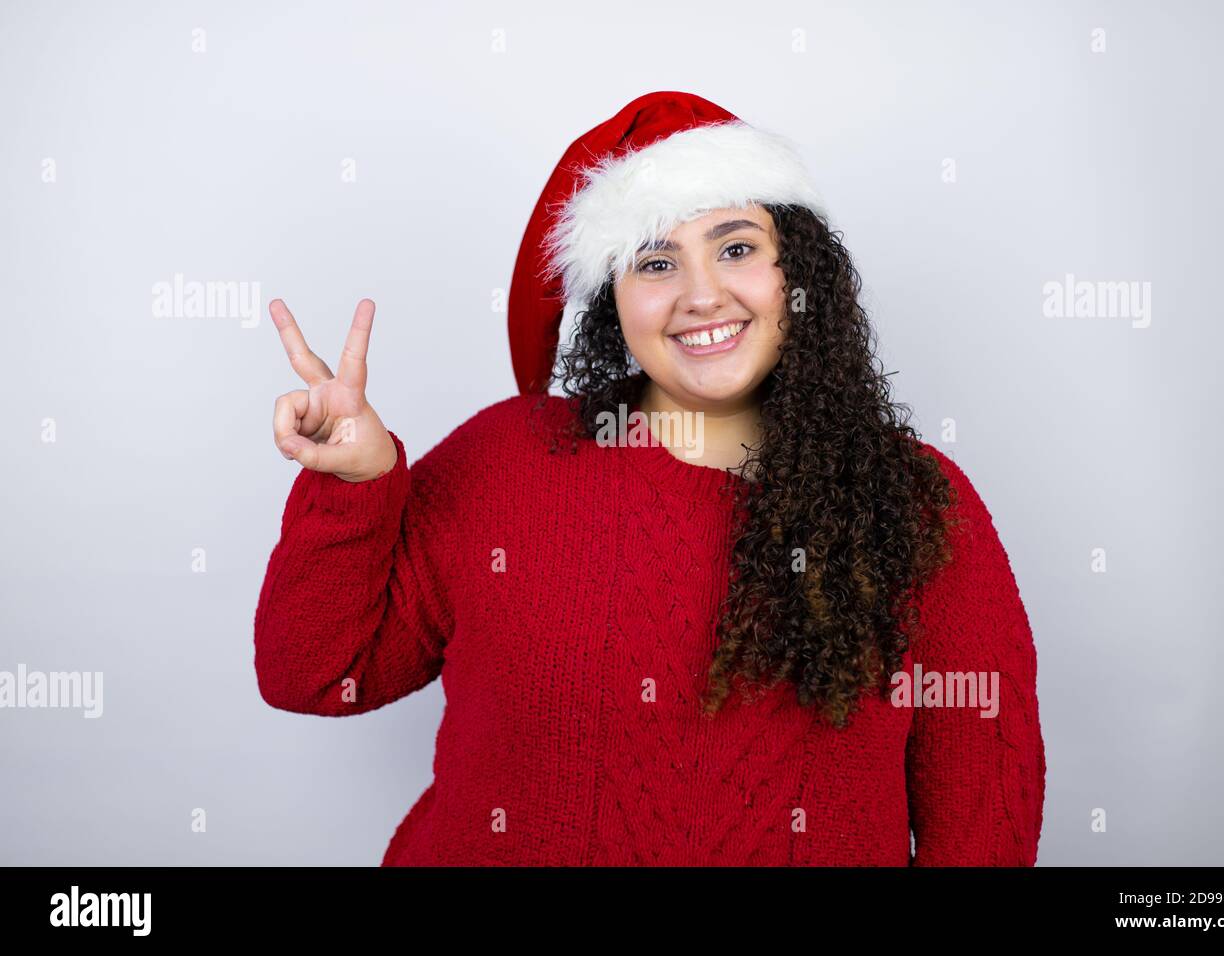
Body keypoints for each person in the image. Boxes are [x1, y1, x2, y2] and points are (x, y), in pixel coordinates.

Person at [254, 91, 1047, 866]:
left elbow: (985, 809)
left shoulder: (911, 500)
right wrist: (355, 486)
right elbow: (318, 675)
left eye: (736, 248)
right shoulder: (505, 459)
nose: (702, 295)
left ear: (797, 272)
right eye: (656, 261)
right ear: (613, 299)